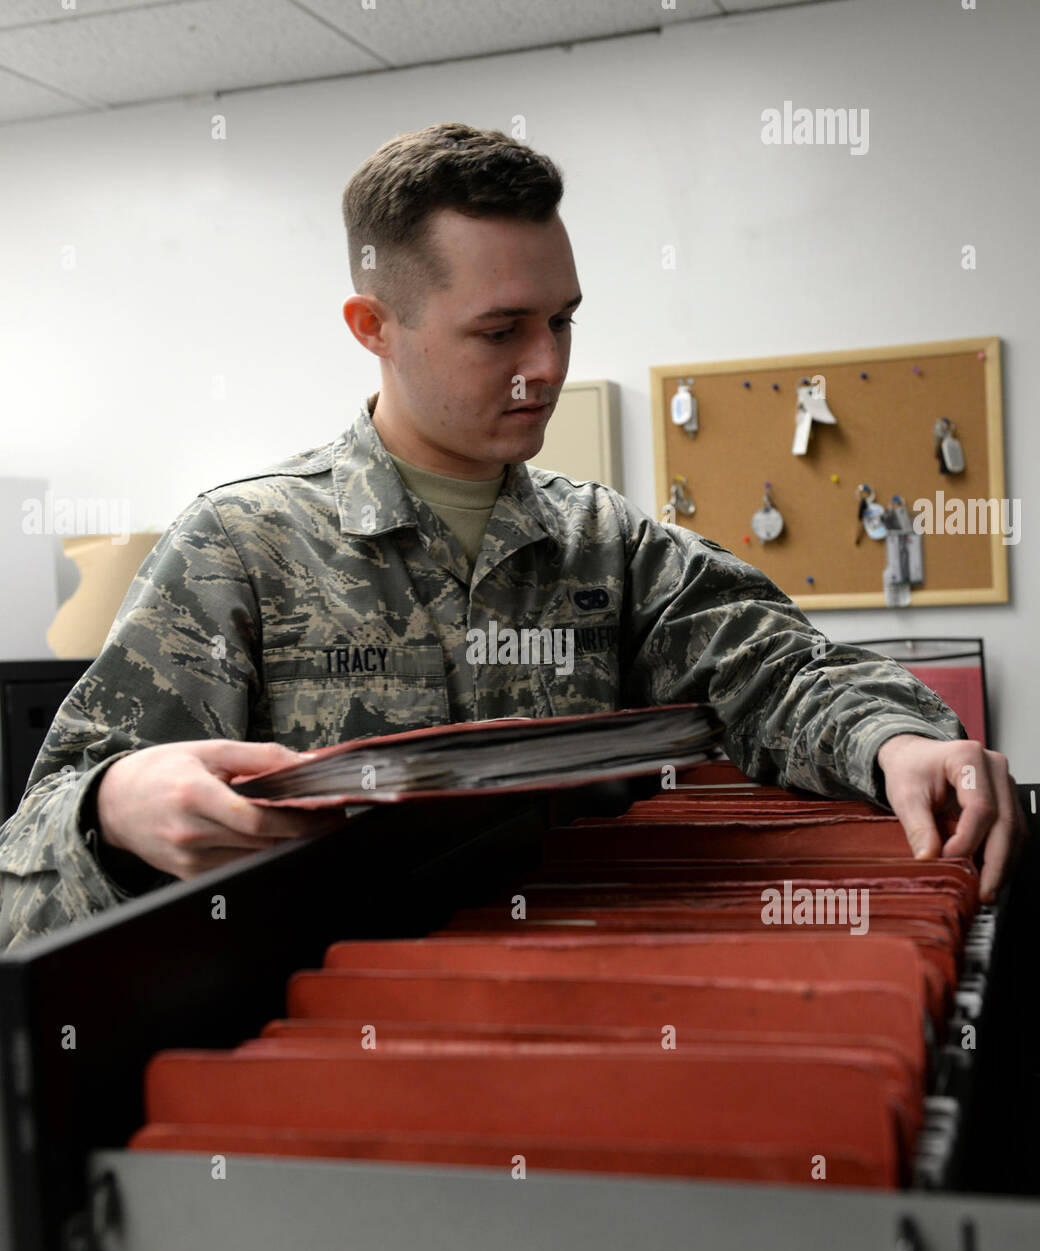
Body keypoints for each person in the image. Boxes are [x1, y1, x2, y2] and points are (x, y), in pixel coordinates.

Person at [0, 122, 1025, 951]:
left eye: (563, 321)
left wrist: (896, 737)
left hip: (580, 1024)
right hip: (315, 1070)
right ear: (373, 325)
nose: (547, 366)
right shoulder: (239, 546)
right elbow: (24, 885)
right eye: (500, 332)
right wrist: (112, 812)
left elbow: (777, 671)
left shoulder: (605, 544)